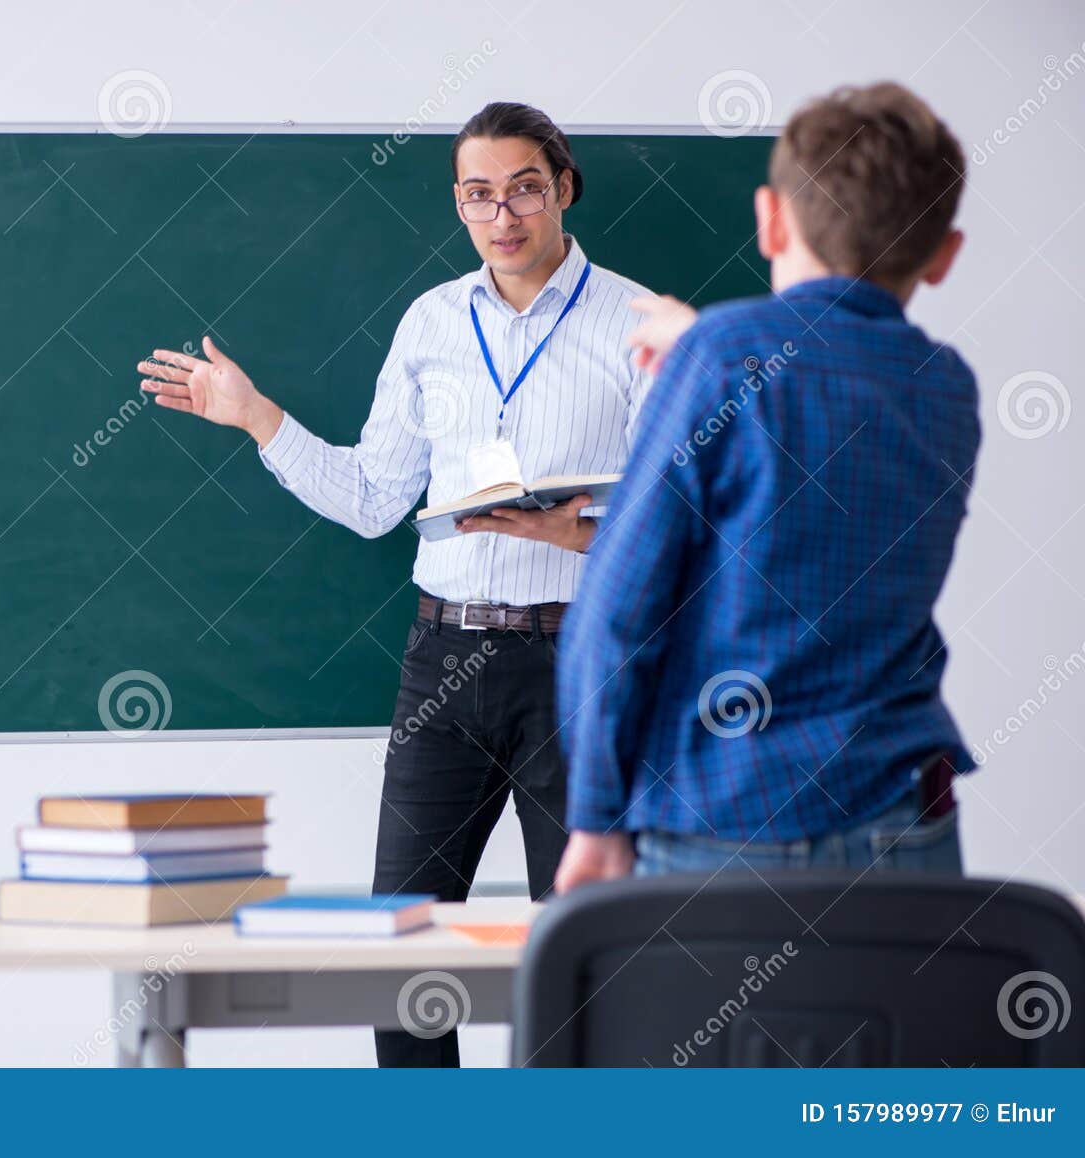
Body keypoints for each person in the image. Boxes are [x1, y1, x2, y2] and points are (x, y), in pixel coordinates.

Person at [137, 103, 653, 1066]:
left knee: (587, 953)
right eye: (479, 195)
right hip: (446, 658)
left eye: (525, 189)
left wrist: (572, 529)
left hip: (582, 660)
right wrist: (258, 421)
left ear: (565, 188)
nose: (504, 215)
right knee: (401, 954)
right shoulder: (431, 322)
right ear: (459, 205)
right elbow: (376, 499)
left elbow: (687, 519)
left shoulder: (639, 323)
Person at [553, 82, 976, 892]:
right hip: (909, 818)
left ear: (770, 217)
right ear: (945, 254)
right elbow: (818, 386)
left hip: (727, 818)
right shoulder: (945, 383)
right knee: (902, 1025)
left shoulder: (726, 355)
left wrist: (597, 816)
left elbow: (615, 611)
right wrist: (710, 343)